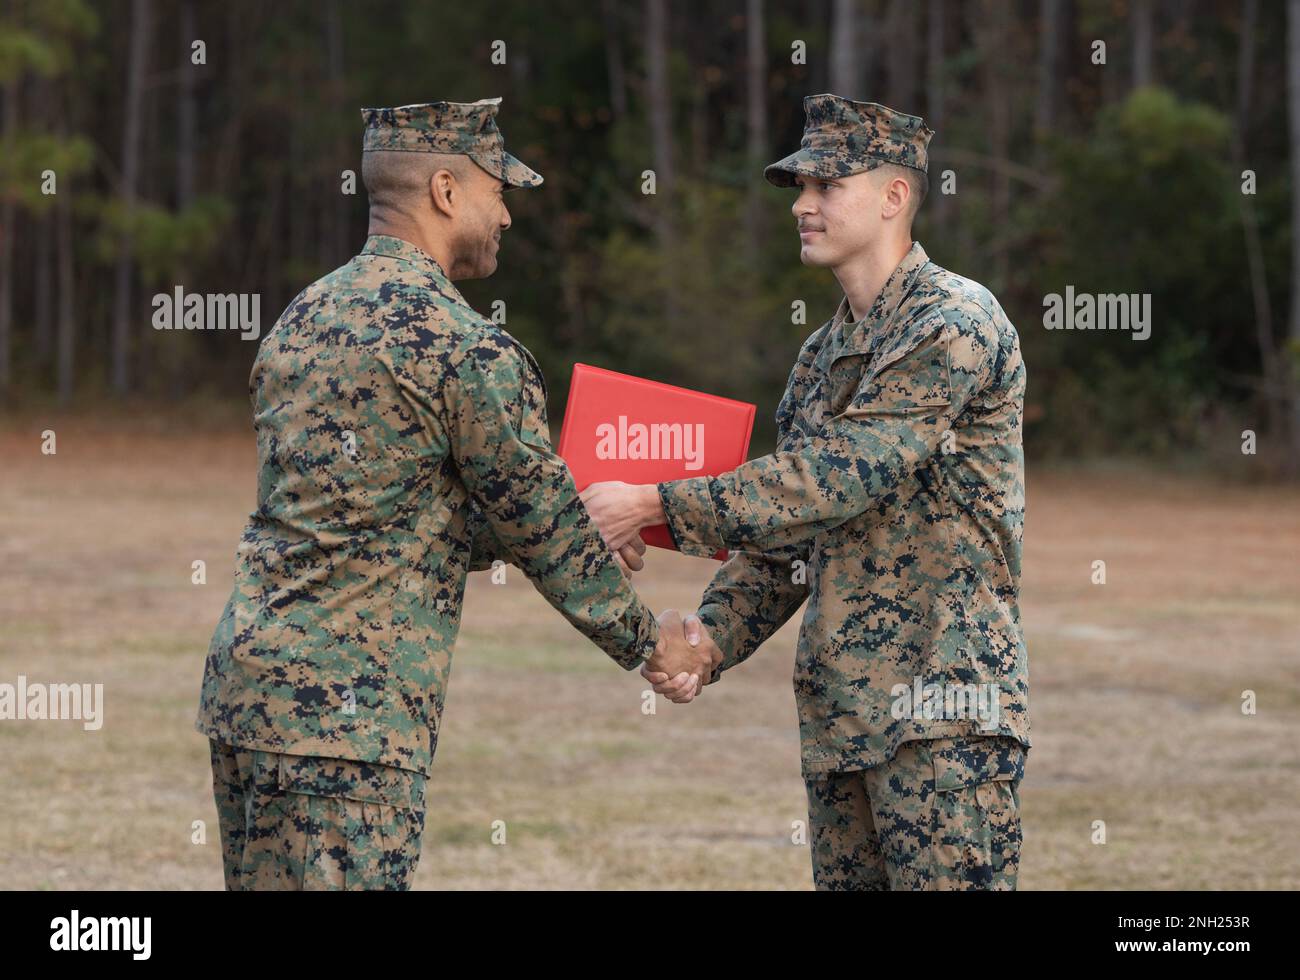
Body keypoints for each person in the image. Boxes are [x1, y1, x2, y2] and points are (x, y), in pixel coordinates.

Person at [195, 98, 719, 891]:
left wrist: (566, 517)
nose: (506, 214)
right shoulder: (467, 348)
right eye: (497, 191)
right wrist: (654, 644)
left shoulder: (300, 321)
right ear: (445, 191)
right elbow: (545, 535)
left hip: (248, 698)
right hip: (349, 721)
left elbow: (391, 515)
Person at [580, 94, 1030, 890]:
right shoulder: (823, 357)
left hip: (941, 714)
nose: (804, 205)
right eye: (799, 187)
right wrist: (710, 639)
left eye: (827, 185)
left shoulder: (953, 321)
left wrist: (655, 504)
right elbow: (789, 540)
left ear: (895, 196)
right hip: (843, 720)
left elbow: (843, 473)